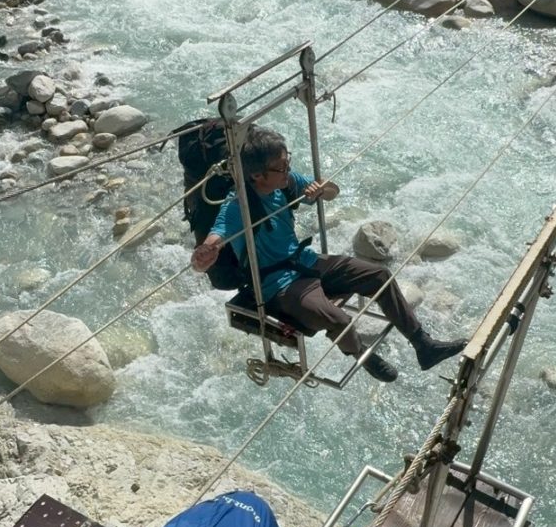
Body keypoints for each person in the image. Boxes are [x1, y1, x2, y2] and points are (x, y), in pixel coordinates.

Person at [190, 126, 466, 383]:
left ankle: (423, 345)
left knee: (379, 275)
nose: (288, 170)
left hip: (306, 261)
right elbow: (216, 236)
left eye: (288, 162)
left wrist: (323, 189)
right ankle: (362, 354)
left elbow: (333, 192)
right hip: (278, 284)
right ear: (258, 175)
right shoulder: (237, 206)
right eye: (281, 167)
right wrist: (205, 254)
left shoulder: (286, 183)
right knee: (339, 320)